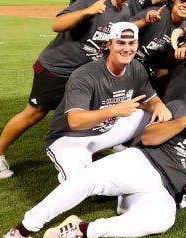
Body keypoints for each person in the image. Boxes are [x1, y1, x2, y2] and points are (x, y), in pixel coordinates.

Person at [0, 76, 186, 238]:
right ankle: (21, 232)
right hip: (143, 162)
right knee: (85, 180)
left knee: (162, 221)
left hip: (165, 189)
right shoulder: (180, 107)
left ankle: (80, 229)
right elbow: (149, 137)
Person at [0, 0, 145, 179]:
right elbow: (57, 24)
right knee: (34, 113)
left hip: (84, 75)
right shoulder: (93, 0)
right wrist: (86, 12)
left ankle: (82, 157)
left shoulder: (127, 8)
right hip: (58, 68)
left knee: (83, 116)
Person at [44, 22, 172, 182]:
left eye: (131, 43)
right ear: (109, 44)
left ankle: (139, 157)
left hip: (105, 132)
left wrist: (158, 105)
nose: (127, 49)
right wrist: (114, 110)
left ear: (137, 44)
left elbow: (149, 97)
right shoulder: (85, 75)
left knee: (155, 115)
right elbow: (75, 122)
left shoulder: (136, 67)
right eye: (121, 43)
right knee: (81, 184)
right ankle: (78, 168)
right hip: (71, 137)